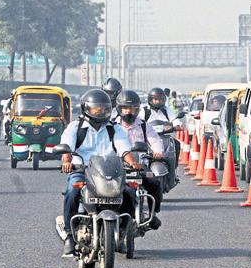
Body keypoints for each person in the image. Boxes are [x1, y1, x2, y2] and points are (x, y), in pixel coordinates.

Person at [59, 89, 139, 257]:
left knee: (130, 193)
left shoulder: (114, 128)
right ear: (86, 108)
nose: (101, 111)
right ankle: (69, 235)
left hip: (110, 172)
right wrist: (67, 161)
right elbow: (67, 146)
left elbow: (124, 148)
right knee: (72, 192)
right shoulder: (75, 127)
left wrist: (132, 162)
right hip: (82, 170)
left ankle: (122, 231)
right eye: (97, 108)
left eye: (104, 108)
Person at [117, 90, 164, 227]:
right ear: (119, 109)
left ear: (137, 109)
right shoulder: (112, 125)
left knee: (154, 182)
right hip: (117, 165)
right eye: (125, 108)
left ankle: (152, 214)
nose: (129, 111)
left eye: (132, 108)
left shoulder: (143, 125)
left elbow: (155, 140)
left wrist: (157, 152)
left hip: (139, 165)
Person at [139, 87, 182, 188]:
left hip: (164, 136)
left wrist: (177, 125)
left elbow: (174, 119)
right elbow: (139, 121)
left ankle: (173, 169)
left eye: (161, 99)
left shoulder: (167, 110)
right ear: (150, 99)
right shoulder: (144, 111)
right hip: (149, 138)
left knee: (176, 144)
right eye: (156, 99)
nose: (158, 101)